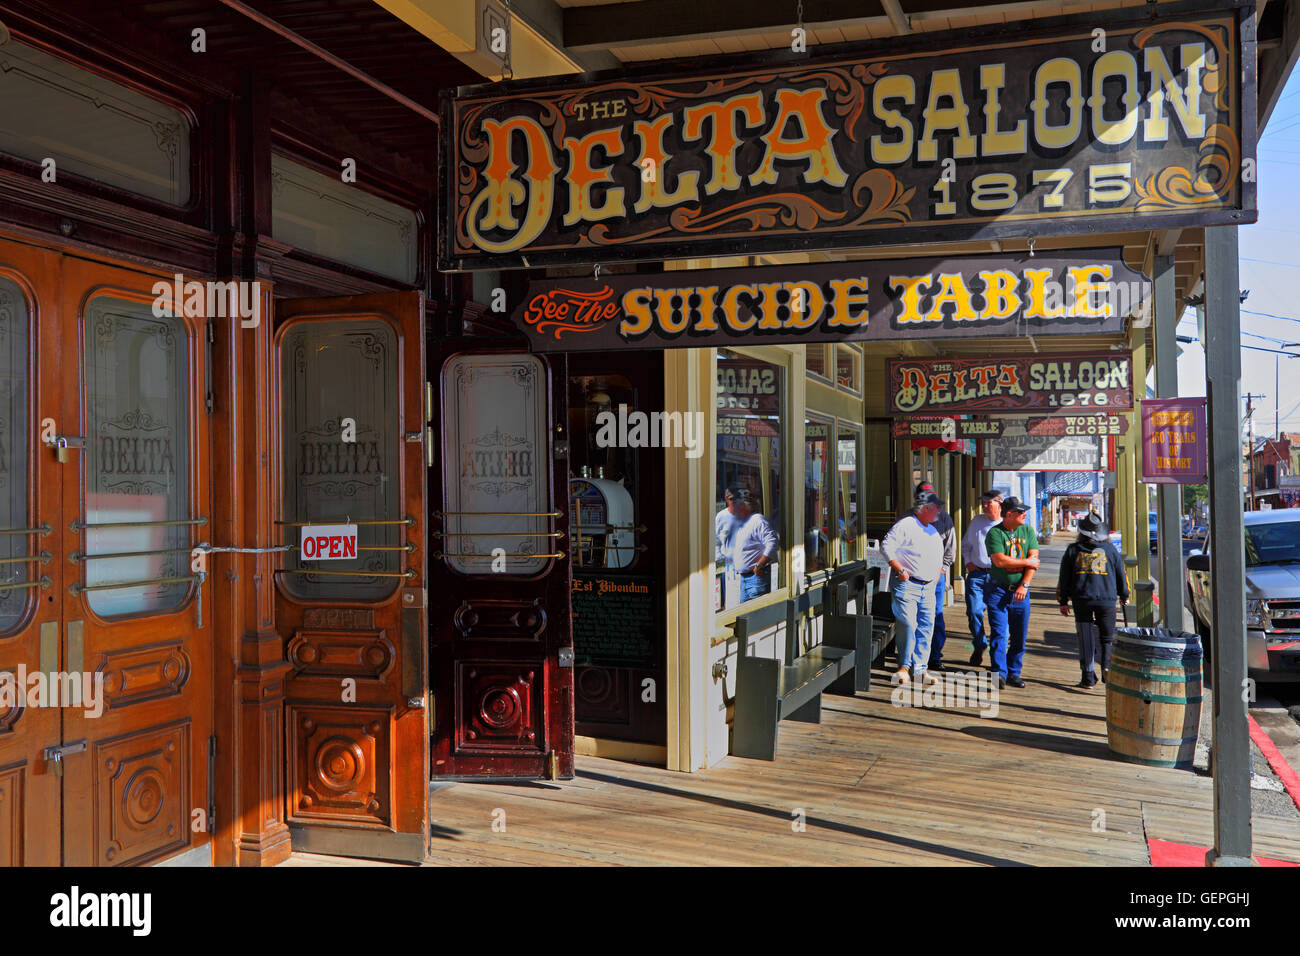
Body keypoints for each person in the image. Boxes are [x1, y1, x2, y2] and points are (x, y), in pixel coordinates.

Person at [1056, 512, 1129, 688]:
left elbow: (1064, 578)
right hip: (1106, 599)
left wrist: (1063, 600)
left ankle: (1088, 677)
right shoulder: (1111, 550)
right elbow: (1121, 575)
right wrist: (1124, 595)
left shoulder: (1073, 550)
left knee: (1085, 637)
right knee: (1107, 637)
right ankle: (1106, 668)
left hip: (1082, 599)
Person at [881, 492, 945, 686]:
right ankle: (904, 667)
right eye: (936, 507)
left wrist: (936, 576)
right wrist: (898, 569)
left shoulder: (933, 531)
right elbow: (886, 546)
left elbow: (938, 557)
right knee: (908, 624)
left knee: (926, 627)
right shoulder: (906, 524)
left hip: (928, 587)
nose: (939, 511)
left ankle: (920, 670)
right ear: (926, 508)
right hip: (908, 584)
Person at [984, 496, 1040, 688]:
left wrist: (1024, 585)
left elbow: (1035, 559)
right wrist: (1027, 562)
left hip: (1021, 591)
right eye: (1020, 512)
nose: (1025, 514)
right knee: (999, 633)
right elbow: (1000, 561)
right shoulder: (995, 533)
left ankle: (1014, 672)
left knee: (1019, 635)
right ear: (1009, 514)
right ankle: (998, 673)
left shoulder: (1028, 530)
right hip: (998, 590)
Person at [914, 481, 956, 671]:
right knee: (913, 617)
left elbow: (950, 549)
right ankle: (914, 657)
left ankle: (935, 656)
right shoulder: (908, 518)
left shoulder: (944, 518)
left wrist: (941, 570)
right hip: (912, 577)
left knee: (935, 616)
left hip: (936, 577)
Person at [961, 490, 1003, 667]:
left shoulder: (1006, 523)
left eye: (989, 503)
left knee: (998, 617)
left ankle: (998, 658)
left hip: (998, 576)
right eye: (983, 503)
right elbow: (966, 545)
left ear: (1000, 503)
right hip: (977, 574)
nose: (985, 506)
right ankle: (979, 645)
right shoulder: (977, 521)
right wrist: (968, 562)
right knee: (974, 612)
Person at [731, 489, 777, 602]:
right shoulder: (743, 522)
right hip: (745, 578)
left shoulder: (758, 520)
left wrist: (759, 565)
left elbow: (772, 543)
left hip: (756, 578)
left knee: (756, 617)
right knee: (746, 616)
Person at [715, 484, 746, 568]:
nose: (737, 502)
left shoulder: (747, 515)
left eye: (740, 499)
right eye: (733, 499)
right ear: (726, 499)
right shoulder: (720, 517)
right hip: (727, 567)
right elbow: (716, 542)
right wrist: (720, 561)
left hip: (745, 565)